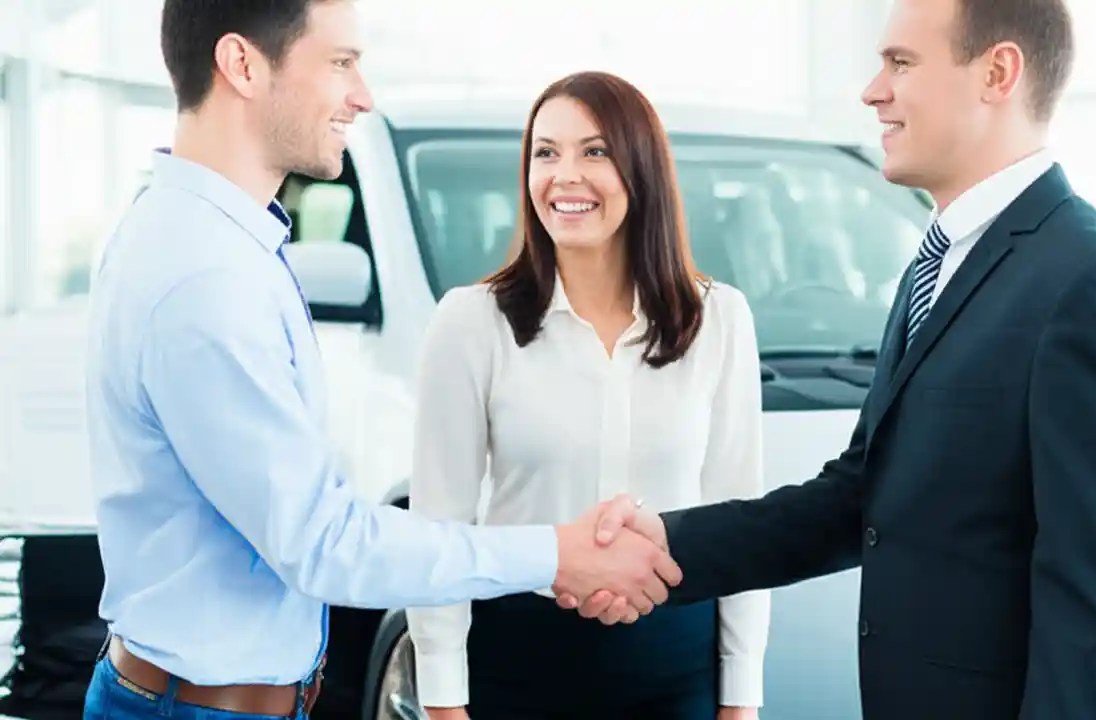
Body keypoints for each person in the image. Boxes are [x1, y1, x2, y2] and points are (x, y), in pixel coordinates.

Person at [563, 0, 1096, 718]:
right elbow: (864, 497)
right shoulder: (943, 263)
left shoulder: (1092, 283)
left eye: (900, 62)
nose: (872, 91)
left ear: (998, 72)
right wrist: (668, 543)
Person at [81, 3, 678, 719]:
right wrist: (558, 554)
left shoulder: (204, 237)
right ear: (242, 65)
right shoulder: (206, 275)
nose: (363, 94)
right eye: (341, 63)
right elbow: (324, 543)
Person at [406, 71, 770, 720]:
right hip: (517, 660)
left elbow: (737, 517)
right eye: (546, 152)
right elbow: (440, 527)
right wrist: (442, 700)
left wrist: (742, 697)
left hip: (675, 663)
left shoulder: (721, 319)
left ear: (642, 170)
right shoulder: (470, 322)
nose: (564, 175)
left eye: (594, 151)